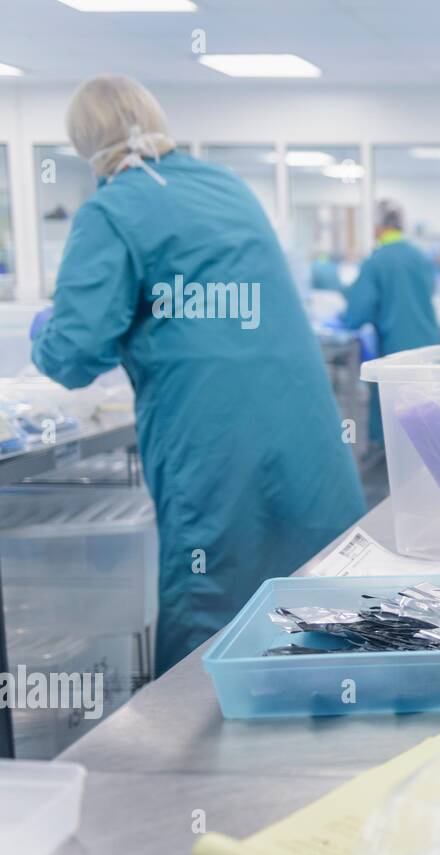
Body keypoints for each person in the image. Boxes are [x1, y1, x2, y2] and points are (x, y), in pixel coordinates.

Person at [31, 75, 366, 674]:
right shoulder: (227, 186)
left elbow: (76, 353)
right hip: (303, 422)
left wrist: (44, 333)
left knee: (210, 597)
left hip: (212, 437)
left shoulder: (111, 209)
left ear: (87, 147)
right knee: (315, 586)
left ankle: (195, 751)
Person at [338, 199, 440, 447]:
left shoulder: (378, 261)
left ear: (377, 227)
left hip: (396, 350)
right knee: (428, 419)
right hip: (428, 346)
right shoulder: (419, 258)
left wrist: (342, 320)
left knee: (395, 423)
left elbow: (358, 311)